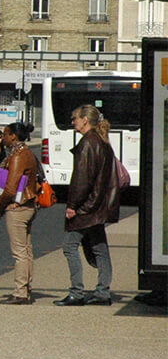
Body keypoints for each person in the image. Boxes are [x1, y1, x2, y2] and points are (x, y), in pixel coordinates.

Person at [55, 104, 121, 306]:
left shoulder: (88, 143)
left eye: (75, 118)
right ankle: (102, 291)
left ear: (85, 120)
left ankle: (76, 291)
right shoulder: (102, 141)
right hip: (99, 205)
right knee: (100, 247)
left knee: (70, 246)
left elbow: (82, 179)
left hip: (86, 207)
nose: (73, 121)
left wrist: (73, 205)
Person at [0, 122, 40, 304]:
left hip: (18, 207)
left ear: (13, 136)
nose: (2, 137)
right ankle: (26, 289)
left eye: (5, 134)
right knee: (26, 251)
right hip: (29, 205)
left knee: (19, 252)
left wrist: (0, 205)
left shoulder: (18, 156)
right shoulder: (26, 153)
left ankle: (20, 292)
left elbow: (11, 188)